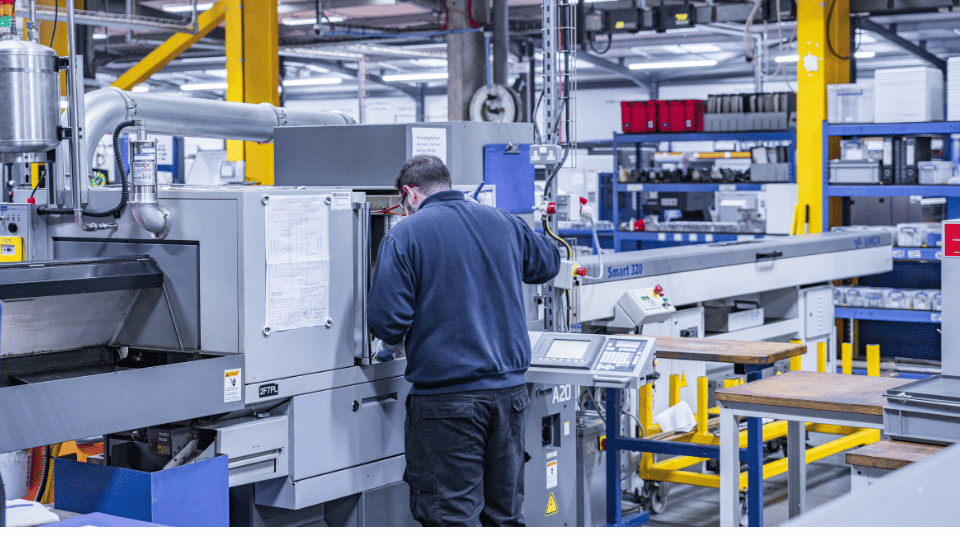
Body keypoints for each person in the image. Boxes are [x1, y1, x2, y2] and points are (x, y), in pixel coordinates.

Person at [367, 154, 561, 527]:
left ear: (410, 194)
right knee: (503, 515)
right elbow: (547, 263)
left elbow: (388, 320)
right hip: (510, 398)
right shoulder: (503, 220)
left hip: (447, 405)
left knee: (452, 518)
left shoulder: (405, 235)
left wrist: (388, 348)